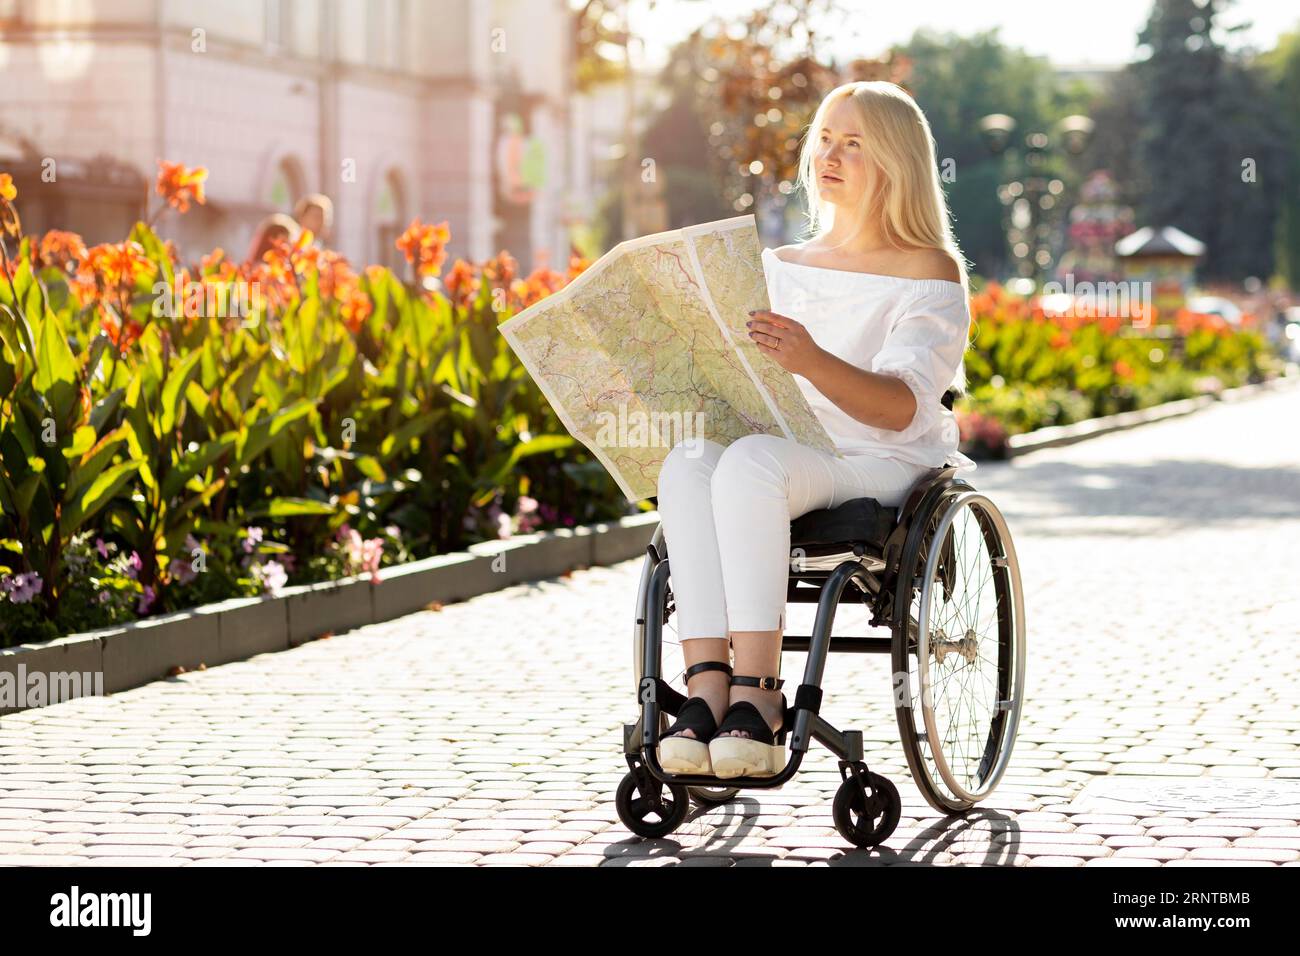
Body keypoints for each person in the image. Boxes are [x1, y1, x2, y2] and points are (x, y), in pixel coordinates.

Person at [655, 80, 978, 780]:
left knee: (752, 464)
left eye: (854, 144)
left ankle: (760, 696)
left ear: (895, 162)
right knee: (688, 459)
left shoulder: (928, 271)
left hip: (879, 458)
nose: (830, 155)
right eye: (825, 138)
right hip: (782, 449)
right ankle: (707, 690)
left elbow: (899, 408)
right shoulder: (777, 267)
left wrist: (809, 358)